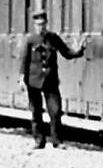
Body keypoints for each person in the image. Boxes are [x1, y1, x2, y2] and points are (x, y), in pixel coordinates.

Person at [19, 9, 86, 149]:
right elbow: (24, 61)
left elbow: (66, 53)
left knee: (55, 111)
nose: (41, 27)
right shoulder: (30, 40)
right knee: (36, 112)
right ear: (34, 25)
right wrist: (21, 79)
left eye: (43, 24)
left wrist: (79, 51)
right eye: (38, 25)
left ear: (46, 24)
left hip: (50, 80)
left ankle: (57, 141)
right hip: (34, 81)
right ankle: (39, 141)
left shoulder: (53, 38)